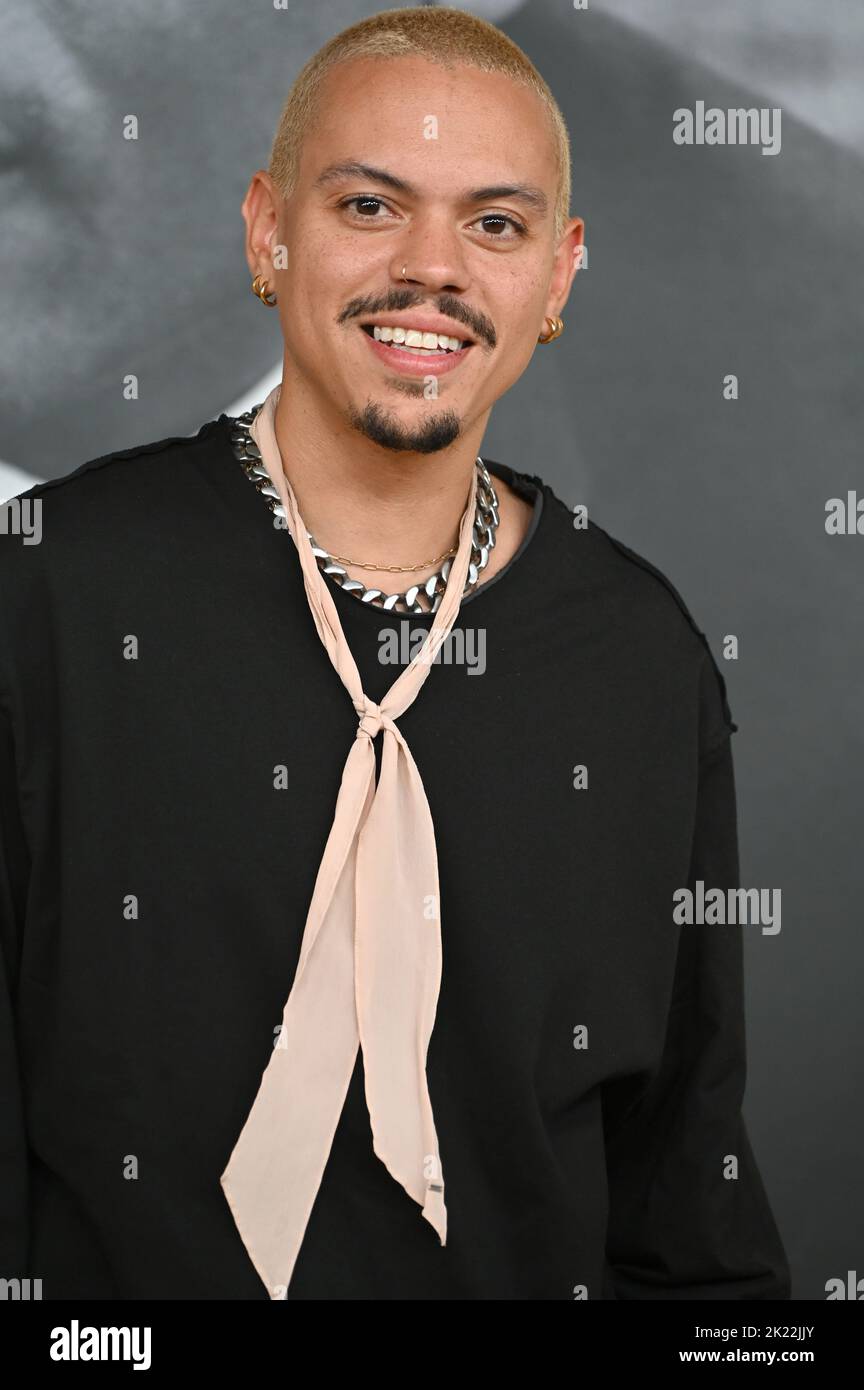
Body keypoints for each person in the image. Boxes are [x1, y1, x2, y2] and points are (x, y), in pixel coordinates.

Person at [0, 6, 790, 1300]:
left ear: (560, 271)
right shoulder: (45, 595)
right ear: (269, 229)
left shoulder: (641, 656)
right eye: (371, 206)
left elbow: (684, 1196)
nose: (434, 270)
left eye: (495, 224)